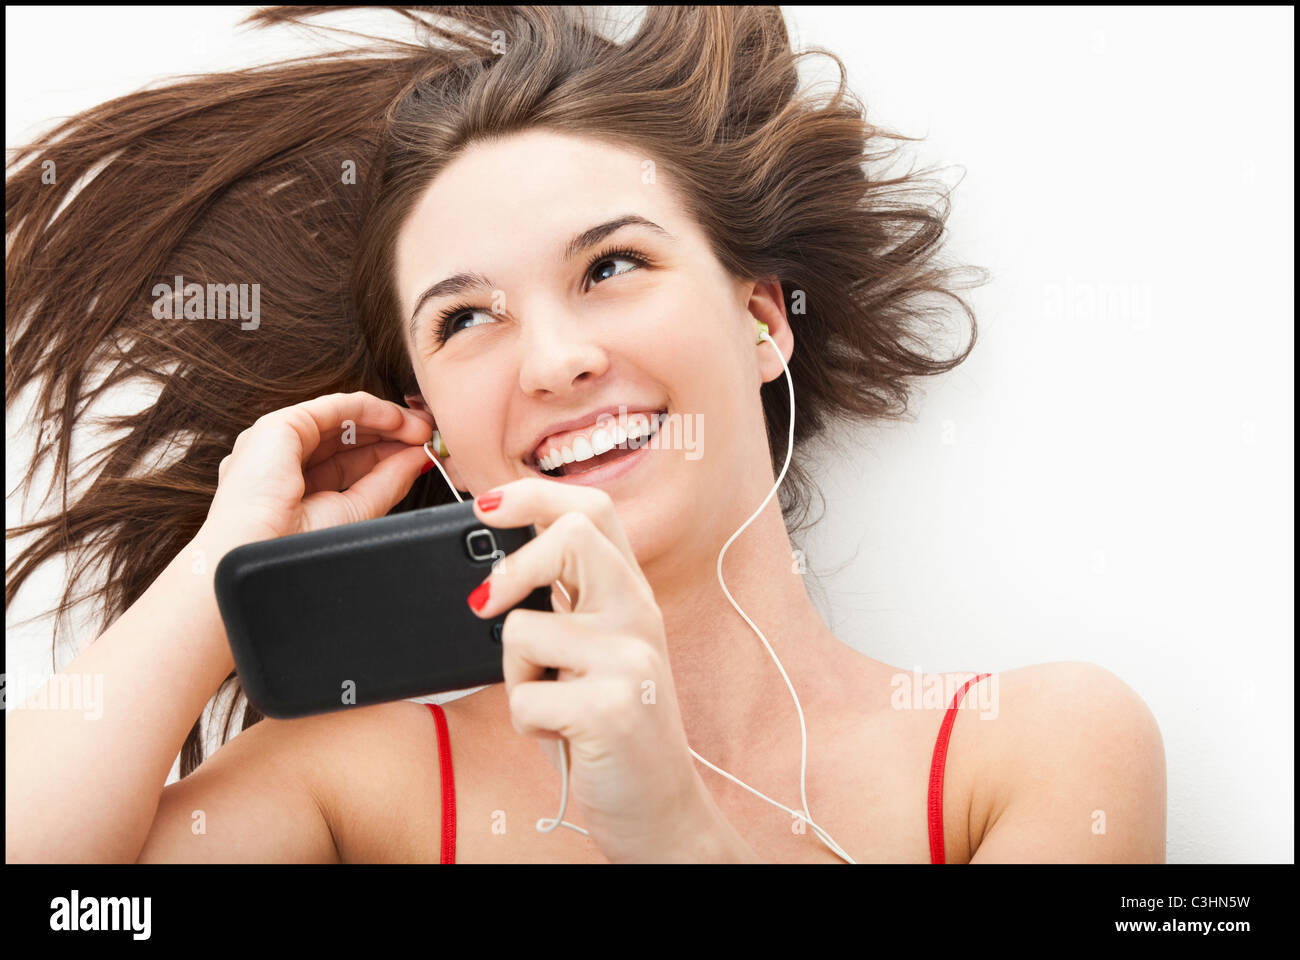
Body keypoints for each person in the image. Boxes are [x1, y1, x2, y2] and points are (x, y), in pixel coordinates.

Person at [5, 6, 1165, 863]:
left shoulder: (1031, 752)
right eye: (466, 319)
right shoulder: (351, 780)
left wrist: (669, 827)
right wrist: (222, 572)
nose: (556, 359)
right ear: (442, 440)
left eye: (611, 266)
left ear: (761, 321)